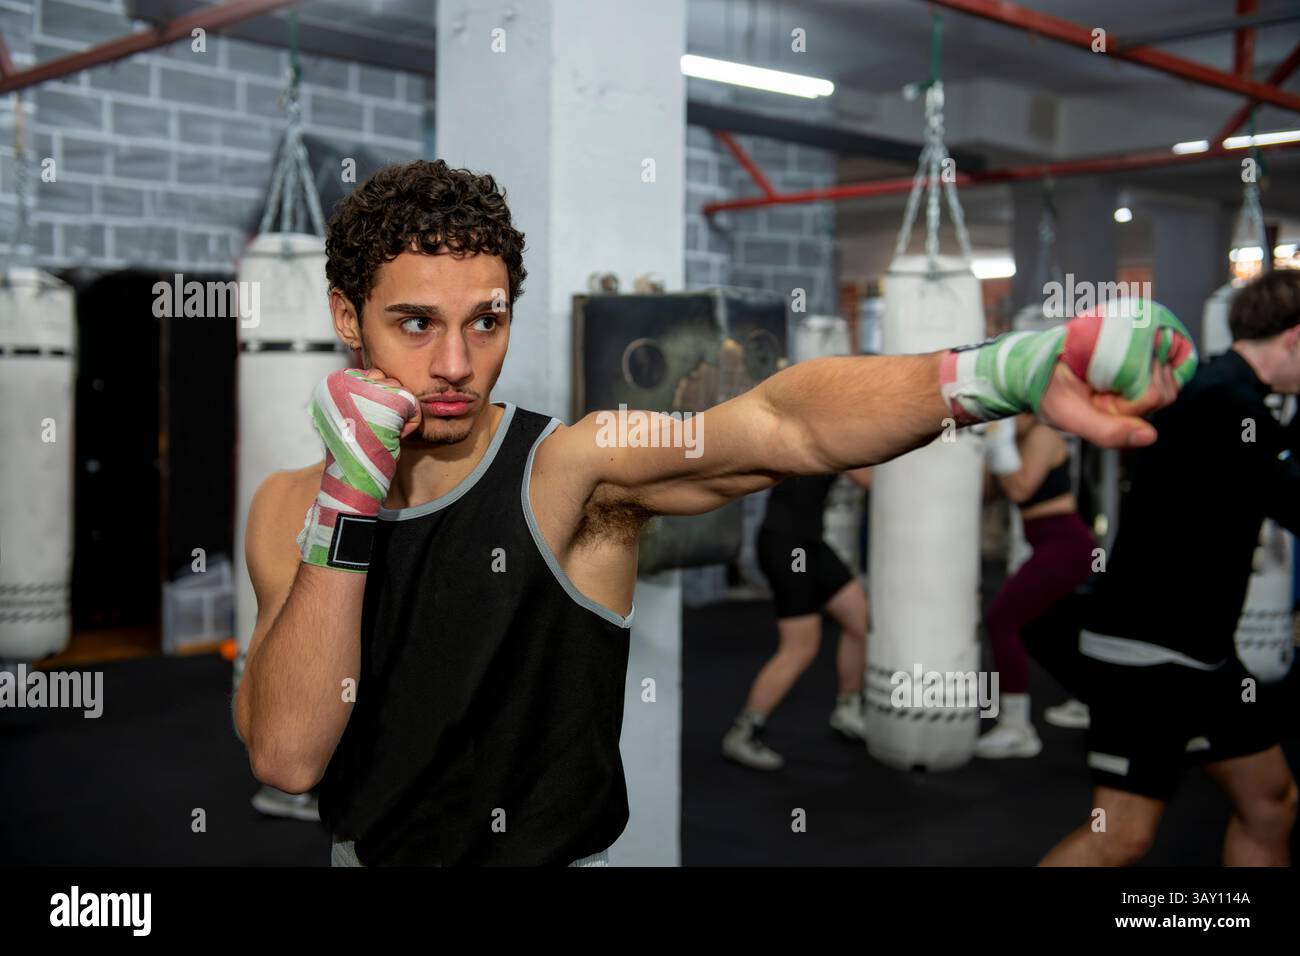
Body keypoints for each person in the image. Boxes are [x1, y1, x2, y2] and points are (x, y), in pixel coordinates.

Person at [231, 158, 1193, 867]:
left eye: (485, 321)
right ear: (347, 316)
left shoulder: (571, 472)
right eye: (415, 324)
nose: (454, 364)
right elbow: (287, 754)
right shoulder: (286, 507)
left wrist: (1002, 372)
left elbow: (783, 424)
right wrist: (349, 497)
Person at [1035, 271, 1300, 866]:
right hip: (1150, 655)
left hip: (1203, 654)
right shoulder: (1225, 403)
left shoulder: (1223, 393)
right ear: (1294, 337)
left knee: (1271, 804)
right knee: (1120, 838)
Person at [723, 467, 873, 771]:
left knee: (860, 619)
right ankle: (744, 732)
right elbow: (869, 478)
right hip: (788, 545)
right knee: (801, 647)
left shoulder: (836, 424)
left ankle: (848, 708)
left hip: (811, 543)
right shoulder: (832, 428)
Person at [975, 414, 1095, 758]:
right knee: (1046, 629)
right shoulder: (1014, 444)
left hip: (1065, 545)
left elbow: (1020, 488)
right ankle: (1094, 701)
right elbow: (988, 494)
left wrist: (998, 445)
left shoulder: (1043, 437)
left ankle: (1017, 728)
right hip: (1049, 545)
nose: (1008, 418)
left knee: (1002, 621)